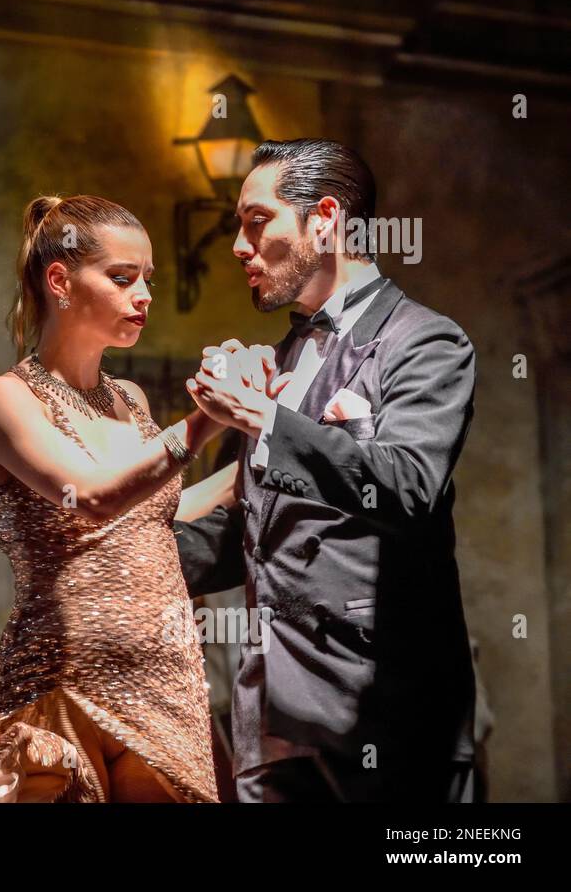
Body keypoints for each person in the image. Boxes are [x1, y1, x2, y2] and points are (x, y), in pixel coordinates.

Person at [179, 138, 477, 802]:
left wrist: (262, 420)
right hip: (271, 724)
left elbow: (405, 486)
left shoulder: (425, 342)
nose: (236, 245)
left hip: (388, 725)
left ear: (326, 220)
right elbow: (246, 532)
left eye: (255, 221)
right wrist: (104, 557)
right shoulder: (280, 363)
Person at [0, 194, 236, 802]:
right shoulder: (4, 400)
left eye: (149, 279)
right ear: (60, 280)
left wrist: (262, 434)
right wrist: (202, 423)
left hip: (162, 684)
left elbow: (155, 517)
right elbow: (87, 497)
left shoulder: (130, 400)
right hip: (62, 685)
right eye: (122, 278)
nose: (144, 295)